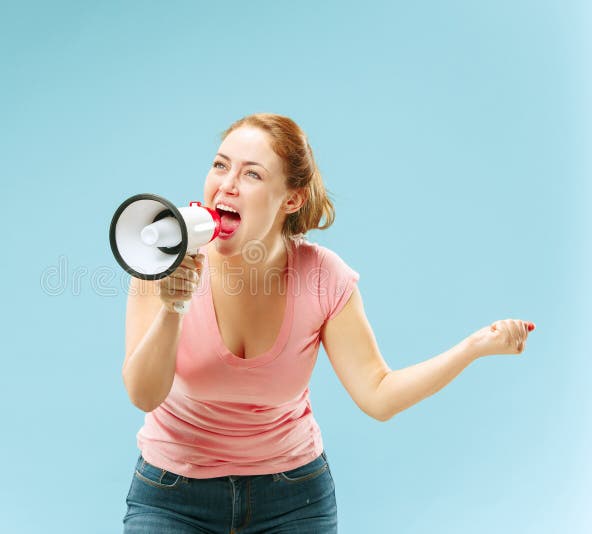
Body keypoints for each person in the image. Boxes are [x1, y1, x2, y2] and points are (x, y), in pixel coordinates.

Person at [120, 113, 535, 533]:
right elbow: (144, 394)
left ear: (292, 200)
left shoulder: (323, 278)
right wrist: (173, 306)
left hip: (292, 496)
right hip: (172, 493)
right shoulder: (161, 261)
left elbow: (378, 395)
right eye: (221, 165)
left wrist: (474, 347)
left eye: (252, 174)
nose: (227, 184)